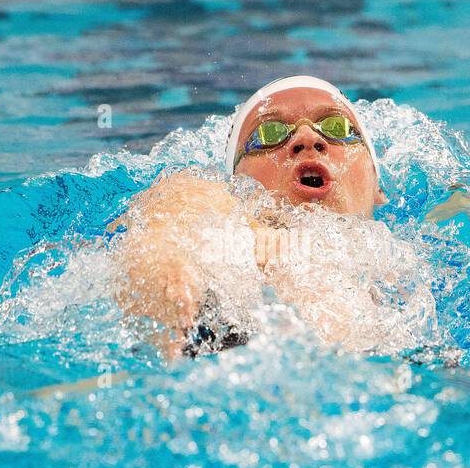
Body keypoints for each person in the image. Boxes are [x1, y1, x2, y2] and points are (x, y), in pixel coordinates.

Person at [113, 75, 431, 358]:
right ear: (235, 182)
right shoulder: (221, 229)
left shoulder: (413, 292)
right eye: (269, 133)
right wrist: (171, 273)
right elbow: (177, 208)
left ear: (378, 187)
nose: (308, 138)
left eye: (338, 128)